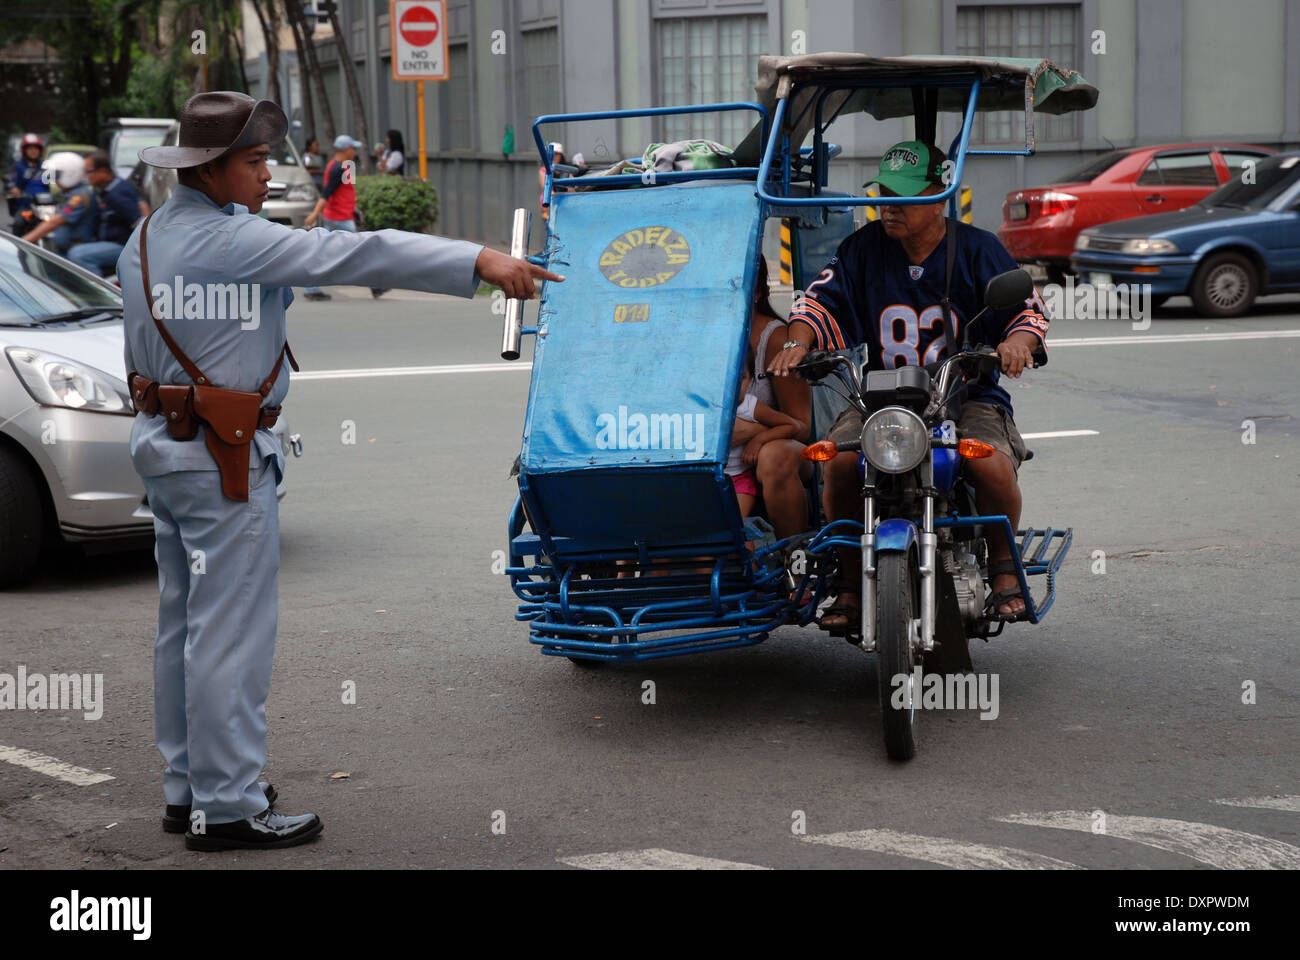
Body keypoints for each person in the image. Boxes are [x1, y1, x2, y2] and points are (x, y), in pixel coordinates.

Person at [121, 91, 561, 851]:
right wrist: (481, 261)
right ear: (210, 168)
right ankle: (225, 807)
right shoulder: (234, 243)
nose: (266, 178)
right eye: (254, 163)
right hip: (224, 457)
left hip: (167, 446)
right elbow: (354, 253)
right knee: (229, 633)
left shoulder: (150, 239)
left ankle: (188, 787)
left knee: (183, 625)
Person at [768, 141, 1049, 632]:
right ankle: (851, 581)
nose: (889, 207)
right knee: (838, 463)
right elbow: (818, 303)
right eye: (884, 195)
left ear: (938, 195)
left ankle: (1005, 568)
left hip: (965, 393)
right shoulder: (863, 248)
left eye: (903, 197)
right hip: (879, 397)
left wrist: (1017, 344)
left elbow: (1026, 309)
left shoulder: (978, 249)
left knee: (990, 466)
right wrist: (798, 342)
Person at [301, 134, 372, 300]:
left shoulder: (343, 166)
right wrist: (314, 214)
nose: (354, 151)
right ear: (346, 149)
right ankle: (376, 284)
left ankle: (311, 289)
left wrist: (353, 209)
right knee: (360, 248)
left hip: (340, 215)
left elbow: (344, 192)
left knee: (324, 252)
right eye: (353, 148)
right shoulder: (337, 168)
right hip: (339, 217)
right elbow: (326, 194)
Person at [728, 361, 801, 518]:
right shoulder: (701, 406)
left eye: (742, 378)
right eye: (726, 376)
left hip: (740, 479)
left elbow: (791, 426)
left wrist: (758, 440)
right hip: (709, 479)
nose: (734, 384)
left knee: (737, 526)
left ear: (750, 381)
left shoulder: (749, 406)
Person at [67, 151, 145, 275]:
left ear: (103, 171)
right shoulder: (108, 188)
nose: (86, 176)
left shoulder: (117, 194)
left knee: (78, 255)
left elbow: (139, 224)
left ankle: (98, 292)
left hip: (122, 246)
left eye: (88, 171)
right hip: (109, 241)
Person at [20, 152, 97, 256]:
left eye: (58, 174)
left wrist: (23, 242)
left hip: (74, 253)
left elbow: (55, 221)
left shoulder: (78, 196)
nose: (55, 179)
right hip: (63, 250)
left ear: (71, 173)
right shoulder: (68, 193)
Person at [5, 133, 46, 232]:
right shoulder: (18, 166)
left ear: (40, 151)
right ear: (25, 150)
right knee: (19, 223)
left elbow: (53, 184)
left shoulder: (46, 166)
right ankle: (18, 247)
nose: (33, 151)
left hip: (44, 207)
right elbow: (8, 180)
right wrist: (13, 188)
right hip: (26, 206)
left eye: (36, 149)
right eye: (30, 149)